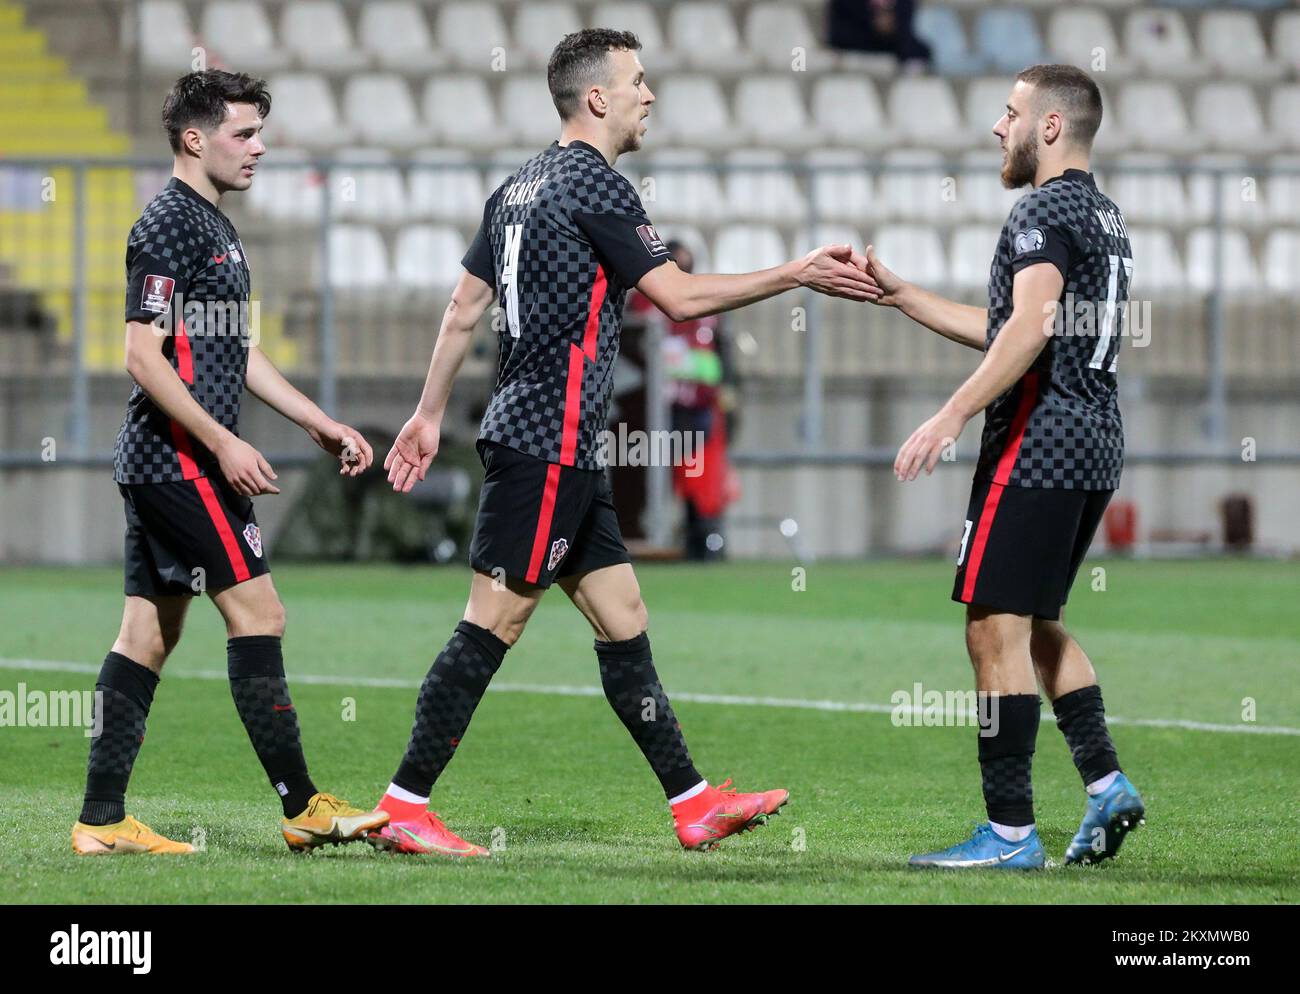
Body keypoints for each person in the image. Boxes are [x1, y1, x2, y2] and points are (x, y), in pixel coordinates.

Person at [371, 28, 880, 856]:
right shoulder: (595, 186)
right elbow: (676, 298)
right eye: (638, 81)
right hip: (547, 444)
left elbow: (464, 306)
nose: (650, 94)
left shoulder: (516, 187)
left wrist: (429, 413)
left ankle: (692, 803)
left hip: (560, 446)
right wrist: (794, 272)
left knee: (623, 617)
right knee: (490, 624)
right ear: (596, 97)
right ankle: (403, 806)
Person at [72, 70, 385, 855]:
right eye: (243, 133)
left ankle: (100, 821)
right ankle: (304, 807)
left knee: (145, 635)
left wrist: (317, 422)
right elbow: (142, 357)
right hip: (178, 464)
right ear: (193, 138)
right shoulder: (169, 224)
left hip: (164, 463)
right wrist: (222, 440)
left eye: (258, 132)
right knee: (261, 615)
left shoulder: (215, 226)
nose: (259, 146)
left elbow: (237, 351)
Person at [862, 64, 1144, 869]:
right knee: (1035, 623)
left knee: (991, 628)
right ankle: (1105, 785)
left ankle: (1011, 835)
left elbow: (1026, 331)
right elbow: (1017, 325)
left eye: (1010, 112)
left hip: (1036, 443)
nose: (998, 126)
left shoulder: (1043, 208)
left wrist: (951, 414)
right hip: (1093, 440)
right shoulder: (1104, 213)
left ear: (1049, 125)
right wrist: (904, 295)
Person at [629, 240, 741, 560]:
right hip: (651, 410)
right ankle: (650, 538)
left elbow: (721, 355)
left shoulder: (706, 304)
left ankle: (702, 543)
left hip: (696, 409)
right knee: (647, 474)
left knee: (698, 479)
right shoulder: (642, 304)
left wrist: (727, 390)